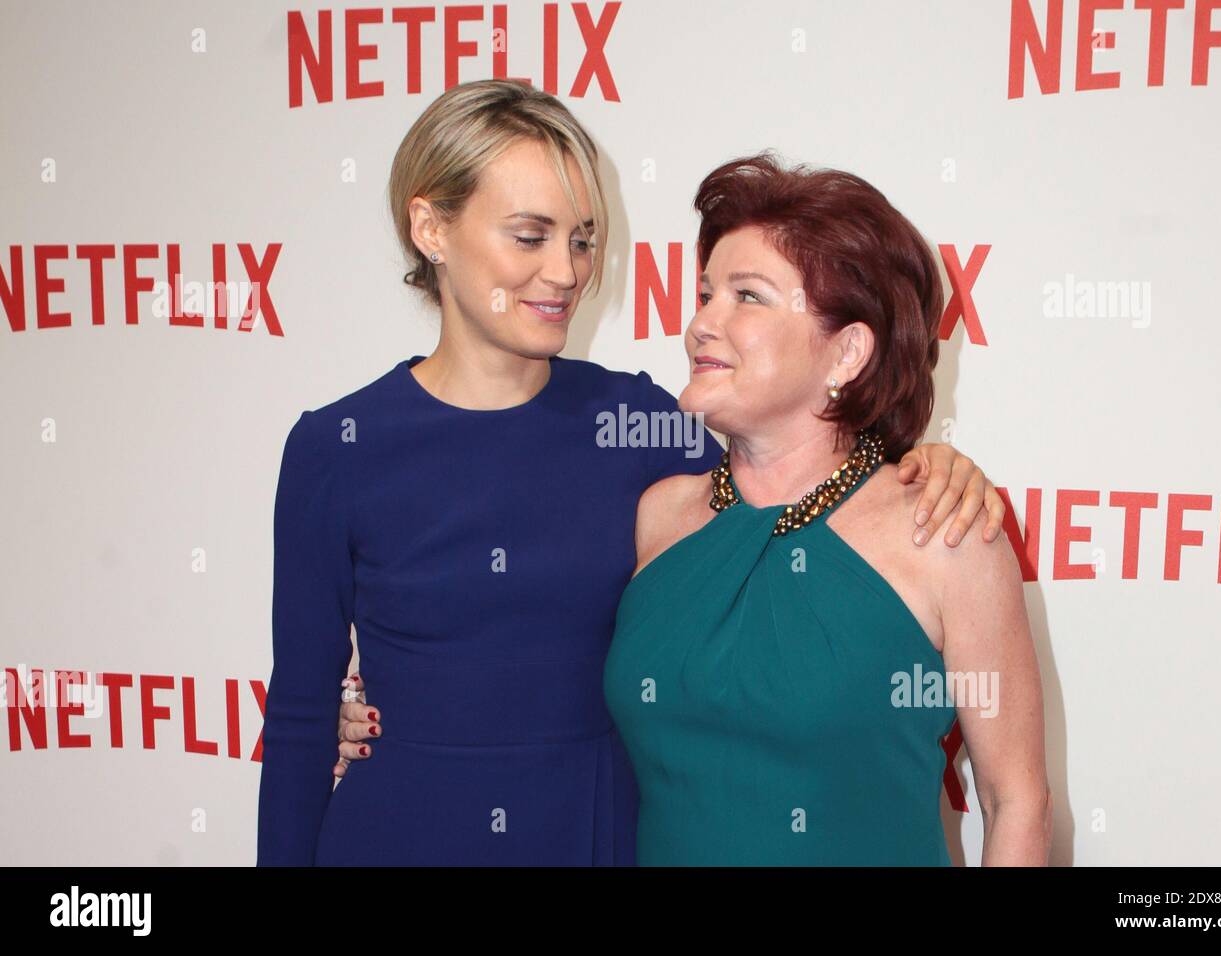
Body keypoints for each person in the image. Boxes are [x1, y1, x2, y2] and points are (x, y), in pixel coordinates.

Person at [264, 80, 1003, 866]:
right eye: (530, 235)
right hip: (400, 833)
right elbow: (304, 720)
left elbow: (802, 474)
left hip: (596, 833)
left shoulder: (638, 424)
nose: (565, 272)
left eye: (582, 239)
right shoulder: (336, 448)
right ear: (430, 227)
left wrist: (925, 463)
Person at [603, 154, 1051, 865]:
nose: (699, 325)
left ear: (847, 350)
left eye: (747, 296)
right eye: (705, 294)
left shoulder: (946, 533)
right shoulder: (657, 516)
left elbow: (1015, 803)